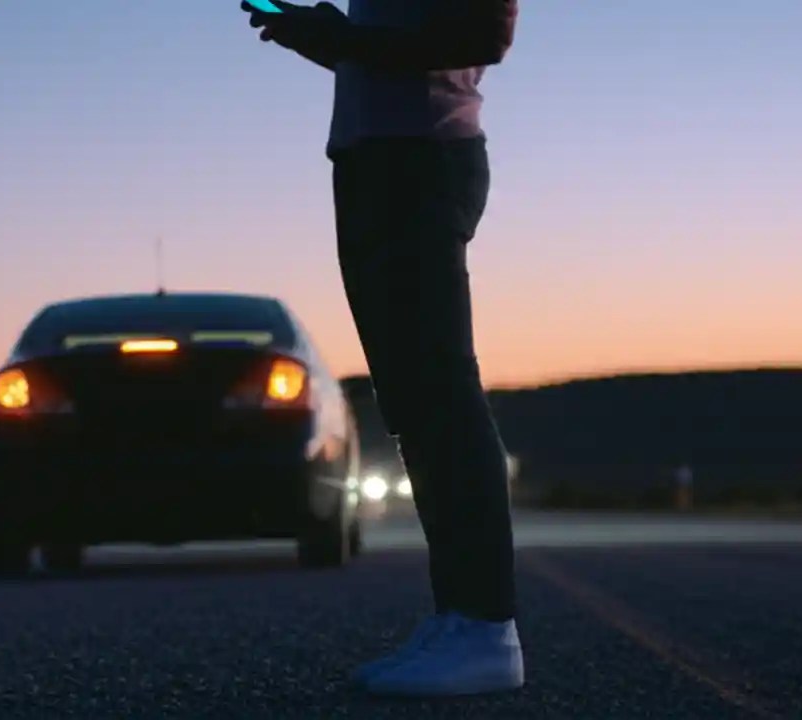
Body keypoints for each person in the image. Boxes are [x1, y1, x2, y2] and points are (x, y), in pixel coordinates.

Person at [241, 0, 523, 698]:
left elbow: (485, 33)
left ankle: (486, 627)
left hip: (418, 163)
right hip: (378, 165)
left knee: (440, 392)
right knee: (413, 401)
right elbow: (384, 51)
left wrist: (344, 38)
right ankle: (461, 614)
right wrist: (324, 38)